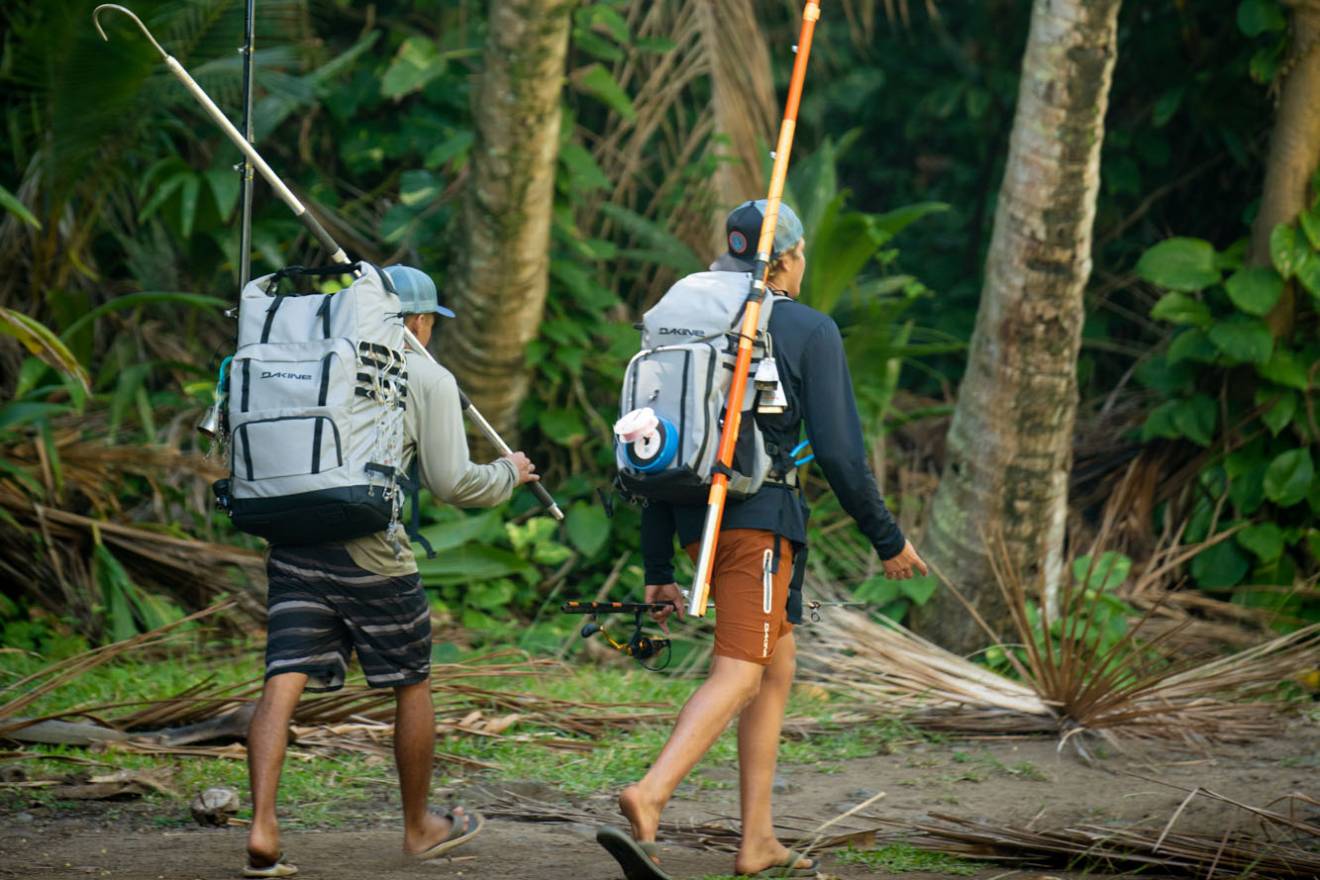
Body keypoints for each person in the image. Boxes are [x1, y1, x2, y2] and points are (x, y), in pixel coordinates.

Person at [615, 201, 927, 876]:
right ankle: (651, 792)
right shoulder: (807, 328)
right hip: (757, 527)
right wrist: (888, 539)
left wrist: (658, 565)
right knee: (739, 672)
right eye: (801, 253)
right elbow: (841, 455)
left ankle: (757, 839)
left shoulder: (685, 321)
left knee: (774, 666)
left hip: (696, 524)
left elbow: (654, 446)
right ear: (785, 259)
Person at [242, 265, 539, 878]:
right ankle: (419, 827)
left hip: (292, 542)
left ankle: (263, 827)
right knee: (412, 682)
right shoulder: (425, 374)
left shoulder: (312, 359)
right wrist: (508, 473)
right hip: (372, 553)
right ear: (419, 321)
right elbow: (454, 482)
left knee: (282, 679)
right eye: (431, 322)